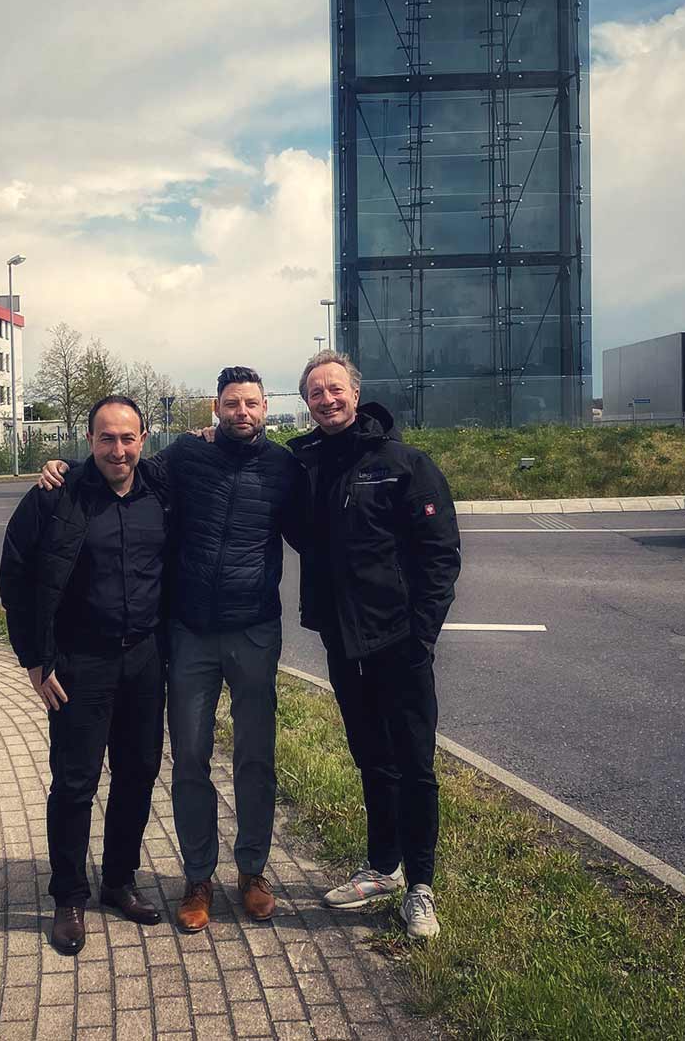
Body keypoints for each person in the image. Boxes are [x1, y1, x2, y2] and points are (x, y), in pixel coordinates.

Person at [39, 366, 306, 933]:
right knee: (189, 758)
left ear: (265, 407)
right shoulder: (184, 458)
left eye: (252, 403)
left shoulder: (285, 467)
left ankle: (253, 871)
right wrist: (64, 469)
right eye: (231, 403)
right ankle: (198, 877)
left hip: (255, 628)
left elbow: (318, 529)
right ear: (216, 407)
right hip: (188, 632)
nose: (242, 412)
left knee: (256, 756)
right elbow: (121, 467)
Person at [287, 350, 461, 939]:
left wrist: (422, 633)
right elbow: (245, 462)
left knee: (414, 765)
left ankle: (420, 885)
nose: (327, 399)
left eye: (335, 389)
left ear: (355, 395)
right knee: (371, 759)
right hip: (343, 641)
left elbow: (440, 554)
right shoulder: (303, 462)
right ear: (306, 403)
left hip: (398, 642)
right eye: (316, 392)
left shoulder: (404, 463)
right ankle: (382, 868)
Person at [0, 396, 169, 956]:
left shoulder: (162, 491)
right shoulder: (56, 494)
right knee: (75, 783)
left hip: (144, 660)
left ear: (143, 438)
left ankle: (118, 881)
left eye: (127, 438)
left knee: (139, 772)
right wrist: (34, 660)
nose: (117, 450)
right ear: (88, 441)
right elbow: (16, 575)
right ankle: (69, 897)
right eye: (106, 439)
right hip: (78, 664)